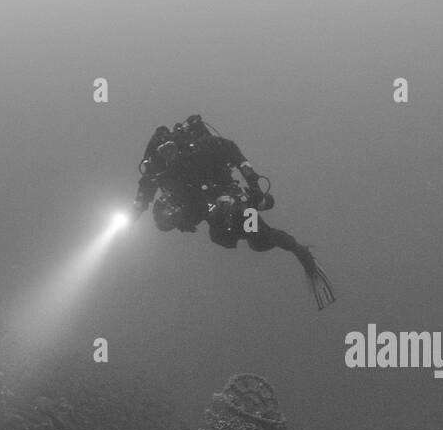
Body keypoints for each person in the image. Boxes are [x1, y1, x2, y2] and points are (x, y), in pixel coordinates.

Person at [133, 115, 335, 309]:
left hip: (230, 197)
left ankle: (299, 250)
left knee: (259, 238)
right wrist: (138, 208)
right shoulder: (159, 169)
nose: (169, 154)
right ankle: (259, 211)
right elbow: (146, 187)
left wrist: (253, 184)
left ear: (178, 144)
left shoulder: (201, 148)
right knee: (220, 237)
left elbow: (232, 151)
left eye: (170, 148)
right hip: (201, 208)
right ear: (157, 154)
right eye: (163, 151)